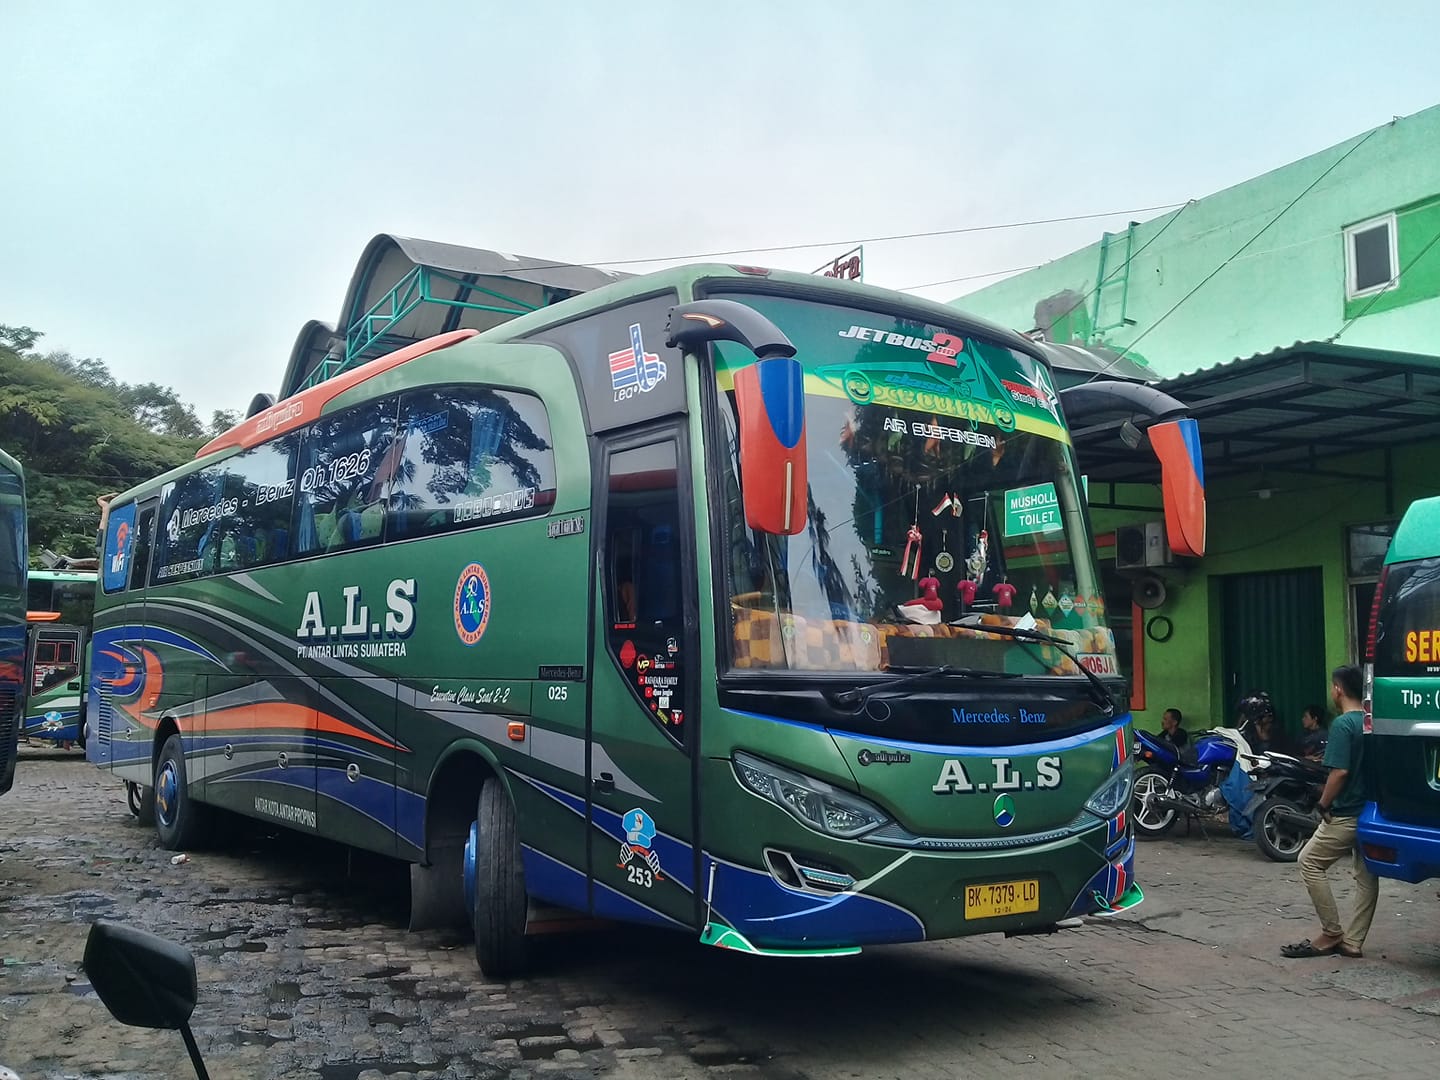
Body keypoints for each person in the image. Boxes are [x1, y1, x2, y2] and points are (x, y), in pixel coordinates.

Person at [1281, 665, 1378, 960]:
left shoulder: (1342, 725)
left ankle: (1332, 931)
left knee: (1309, 861)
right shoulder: (1372, 722)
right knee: (1366, 876)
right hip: (1372, 812)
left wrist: (1323, 804)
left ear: (1338, 689)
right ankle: (1354, 941)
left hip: (1346, 812)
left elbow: (1339, 772)